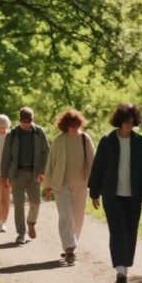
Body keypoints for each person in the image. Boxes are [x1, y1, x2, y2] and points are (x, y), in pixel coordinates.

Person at [88, 103, 142, 283]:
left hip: (133, 195)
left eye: (132, 122)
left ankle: (125, 268)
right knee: (118, 232)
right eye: (126, 122)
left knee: (130, 232)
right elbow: (98, 167)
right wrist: (94, 192)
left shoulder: (140, 142)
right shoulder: (107, 141)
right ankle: (120, 273)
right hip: (111, 194)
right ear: (119, 121)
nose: (128, 125)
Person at [44, 109, 96, 265]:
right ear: (65, 126)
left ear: (79, 124)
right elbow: (51, 163)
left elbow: (93, 163)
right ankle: (69, 248)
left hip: (81, 185)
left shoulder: (85, 139)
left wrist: (95, 185)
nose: (73, 129)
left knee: (78, 218)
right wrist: (47, 186)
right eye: (70, 126)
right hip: (62, 185)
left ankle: (72, 243)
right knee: (65, 216)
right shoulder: (59, 140)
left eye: (75, 125)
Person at [0, 107, 50, 244]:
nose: (26, 124)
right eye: (24, 121)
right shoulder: (13, 134)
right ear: (20, 120)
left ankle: (31, 223)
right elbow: (6, 156)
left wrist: (42, 171)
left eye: (28, 121)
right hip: (17, 174)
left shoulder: (39, 132)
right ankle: (21, 233)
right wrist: (4, 176)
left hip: (34, 173)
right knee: (19, 205)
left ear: (32, 120)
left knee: (36, 202)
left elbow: (46, 152)